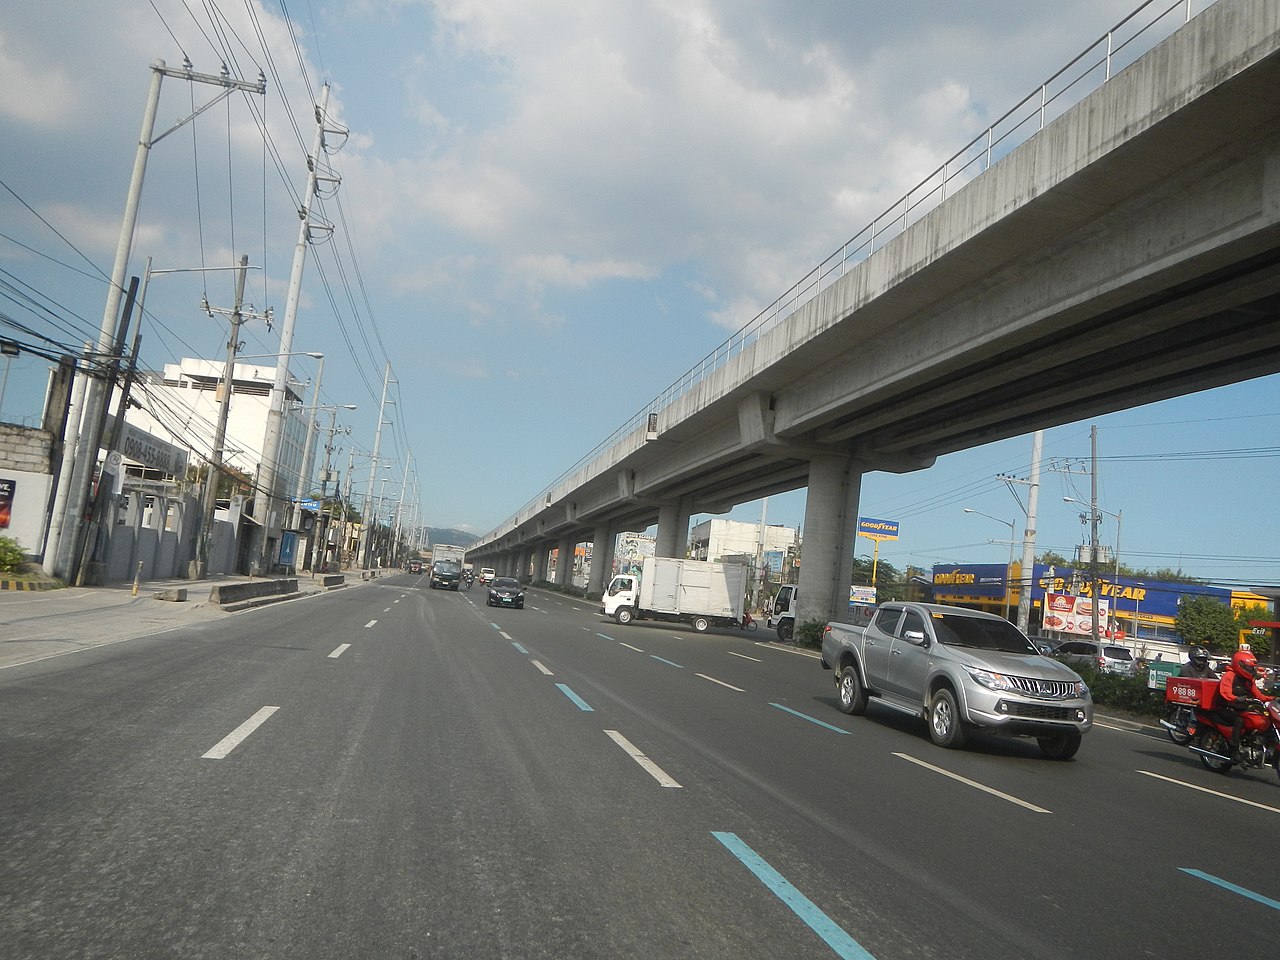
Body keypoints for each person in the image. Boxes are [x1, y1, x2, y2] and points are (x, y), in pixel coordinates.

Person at [1215, 649, 1274, 760]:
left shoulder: (1248, 679)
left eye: (1251, 668)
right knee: (1239, 721)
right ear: (1240, 665)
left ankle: (1263, 746)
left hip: (1241, 707)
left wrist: (1272, 698)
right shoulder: (1229, 675)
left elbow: (1257, 694)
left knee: (1263, 717)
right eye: (1248, 667)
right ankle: (1234, 750)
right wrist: (1237, 698)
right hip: (1226, 707)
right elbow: (1225, 693)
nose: (1250, 670)